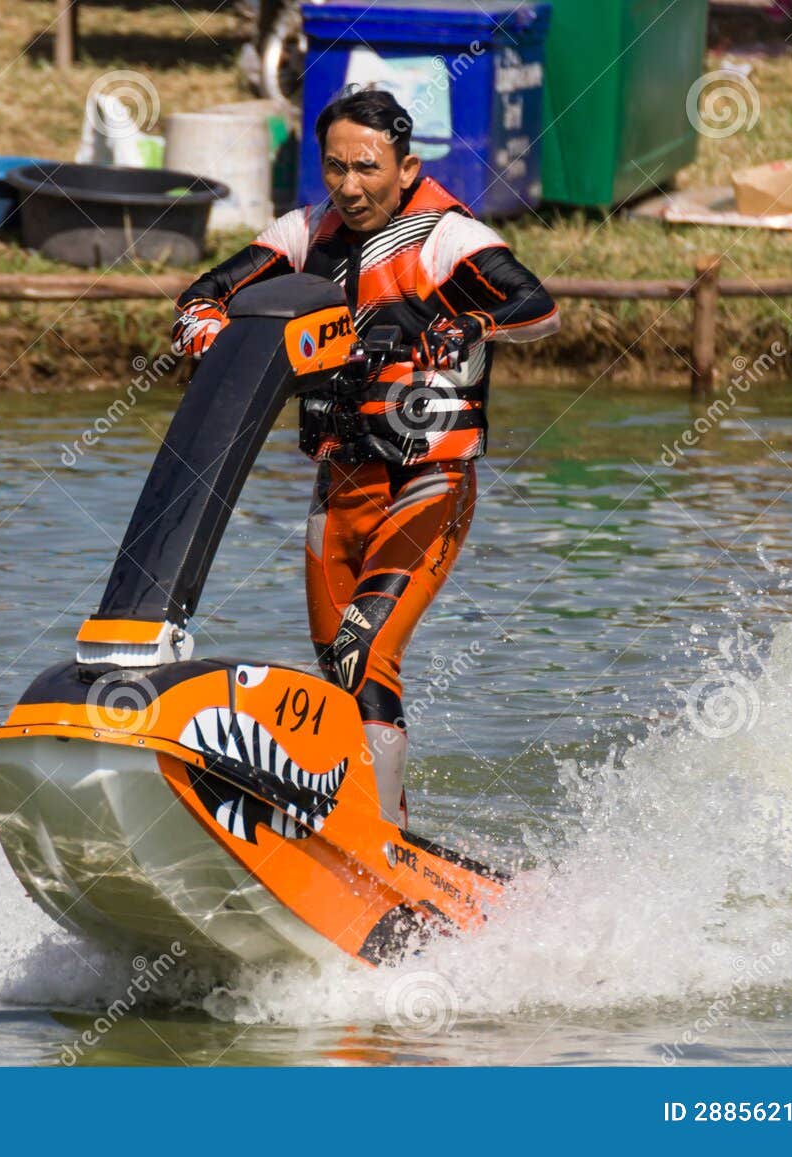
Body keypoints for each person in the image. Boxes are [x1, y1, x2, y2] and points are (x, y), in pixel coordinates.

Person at [169, 87, 559, 825]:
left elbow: (538, 308)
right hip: (339, 485)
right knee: (336, 673)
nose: (350, 186)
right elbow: (203, 294)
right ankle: (383, 829)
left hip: (430, 480)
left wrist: (473, 325)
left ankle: (377, 847)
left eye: (369, 169)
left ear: (406, 168)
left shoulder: (447, 237)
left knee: (364, 652)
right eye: (336, 167)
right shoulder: (302, 232)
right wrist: (211, 332)